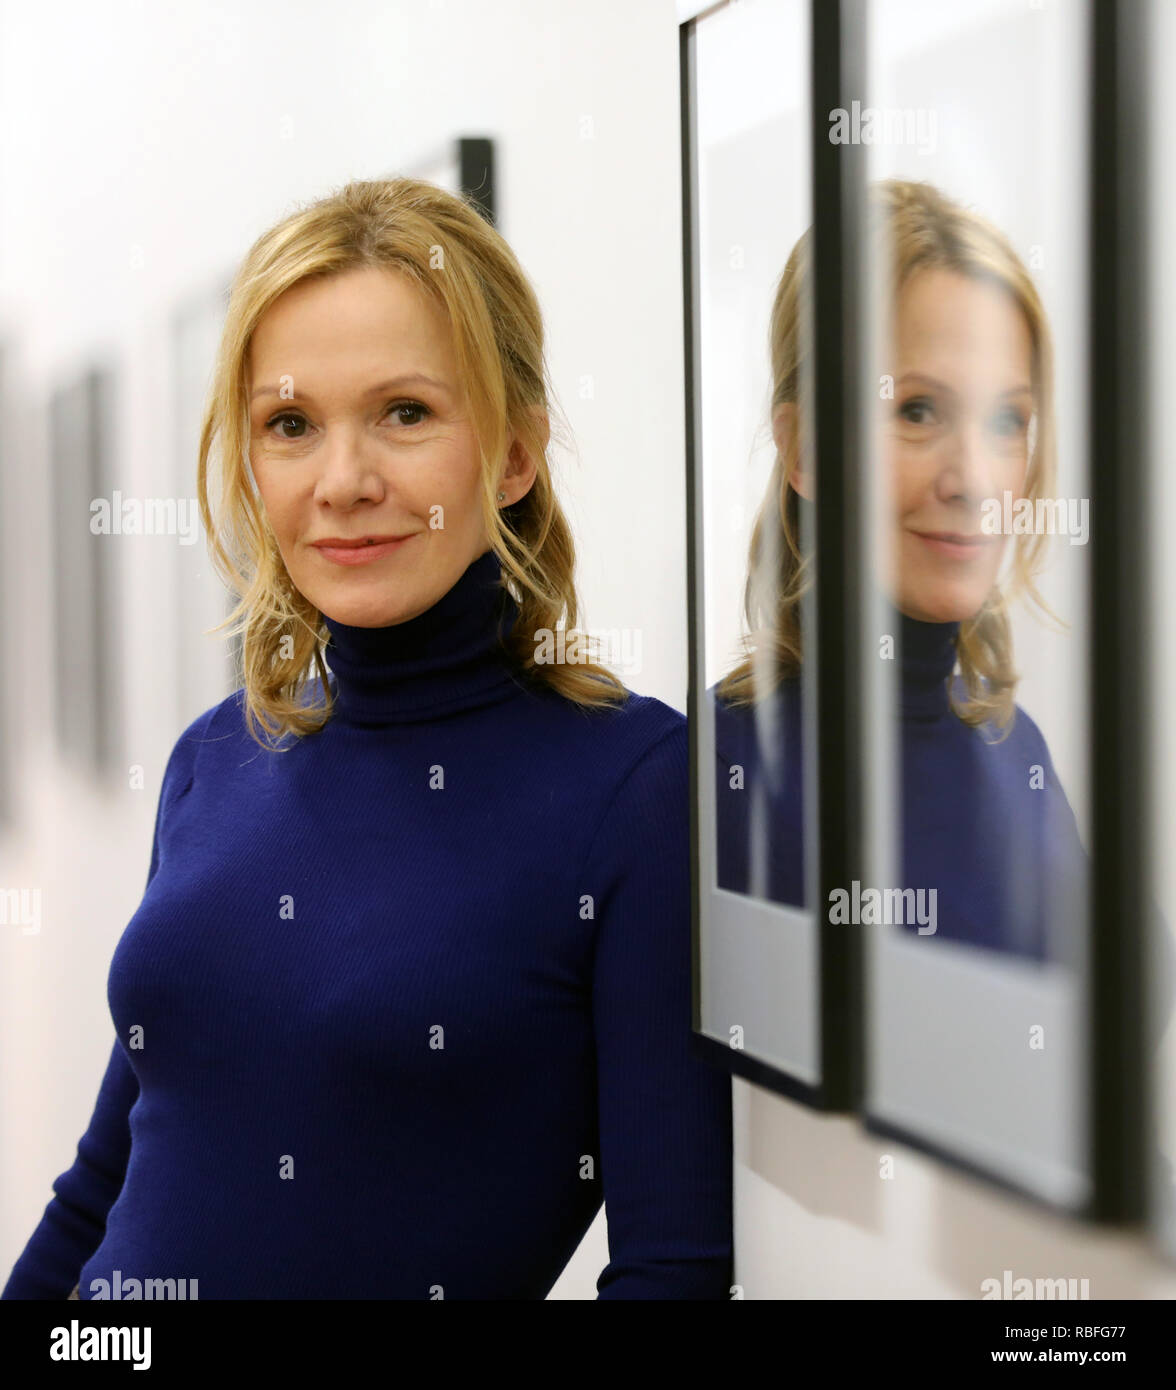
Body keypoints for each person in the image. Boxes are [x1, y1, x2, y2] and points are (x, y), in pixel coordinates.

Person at [3, 177, 732, 1300]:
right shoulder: (217, 756)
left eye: (404, 412)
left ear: (514, 453)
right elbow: (105, 1180)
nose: (344, 483)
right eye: (291, 425)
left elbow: (671, 1270)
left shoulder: (633, 789)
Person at [712, 179, 1087, 964]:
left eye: (1007, 419)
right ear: (805, 447)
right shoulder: (721, 773)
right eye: (917, 410)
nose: (974, 478)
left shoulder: (1017, 748)